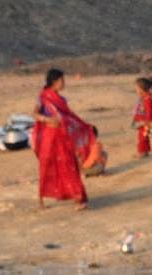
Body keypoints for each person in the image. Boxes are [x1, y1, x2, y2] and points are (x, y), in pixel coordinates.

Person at [32, 68, 92, 210]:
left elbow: (69, 117)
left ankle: (78, 198)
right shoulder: (43, 98)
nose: (64, 83)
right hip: (49, 136)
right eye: (62, 80)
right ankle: (41, 199)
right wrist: (48, 119)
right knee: (46, 166)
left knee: (69, 165)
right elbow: (34, 114)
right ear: (54, 81)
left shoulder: (62, 100)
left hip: (63, 137)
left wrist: (82, 127)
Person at [132, 76, 152, 158]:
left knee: (143, 137)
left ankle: (142, 152)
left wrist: (146, 122)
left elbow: (149, 112)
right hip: (142, 121)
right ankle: (145, 151)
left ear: (142, 88)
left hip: (145, 122)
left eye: (137, 88)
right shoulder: (144, 98)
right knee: (144, 136)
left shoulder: (147, 99)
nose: (136, 90)